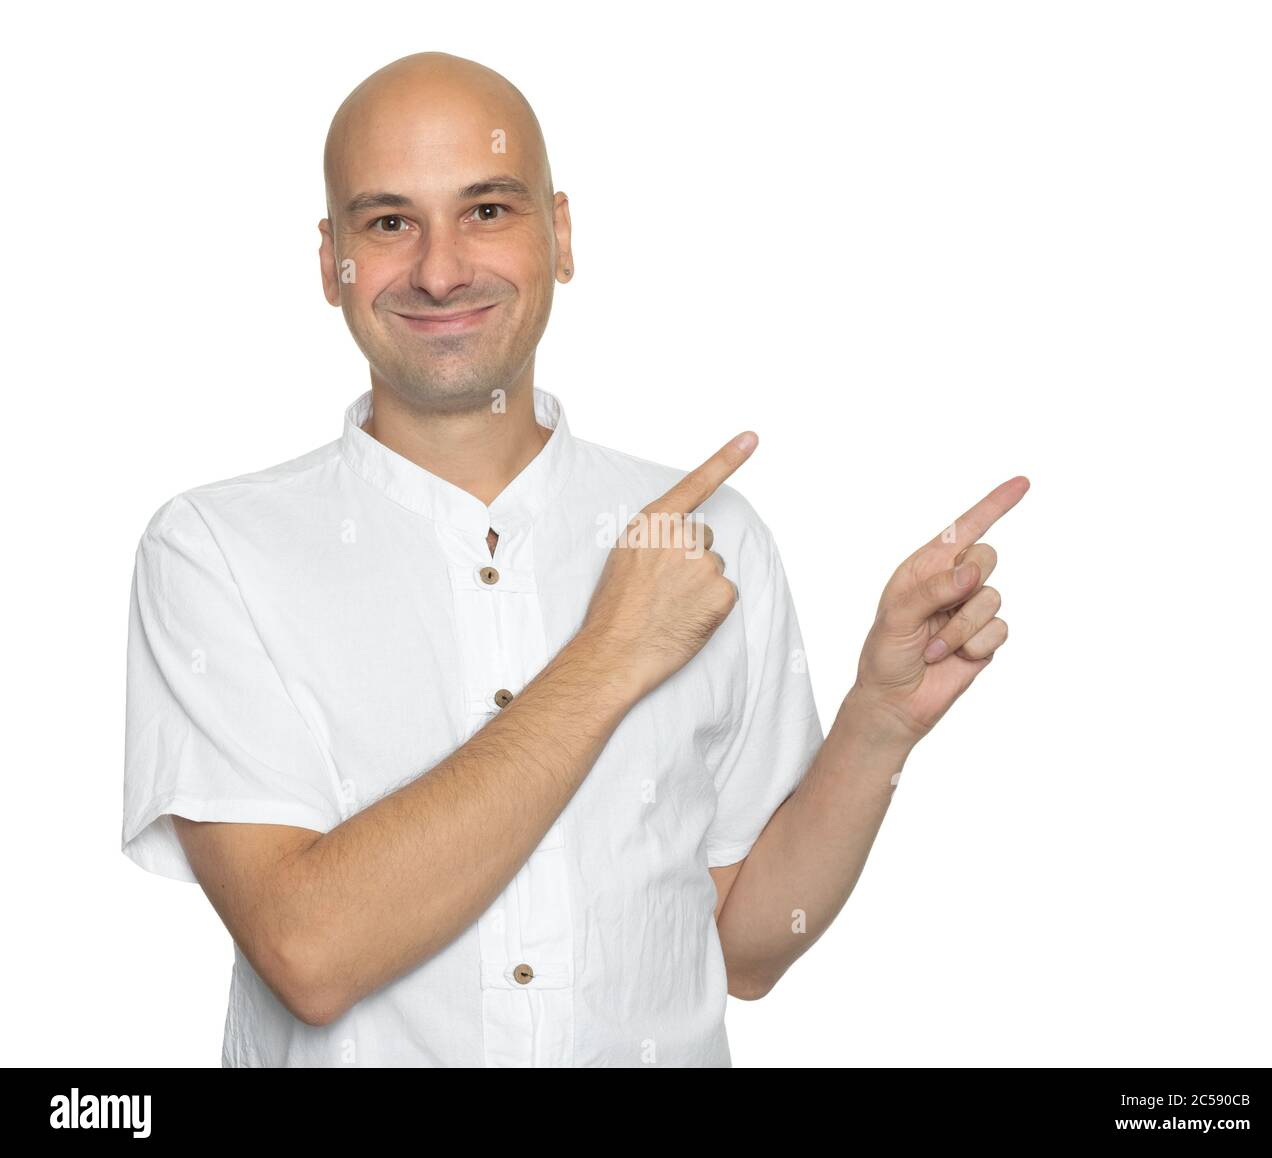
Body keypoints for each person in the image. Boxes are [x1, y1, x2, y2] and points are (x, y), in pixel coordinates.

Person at [121, 51, 1026, 1067]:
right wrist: (610, 655)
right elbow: (309, 952)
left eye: (488, 211)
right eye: (388, 223)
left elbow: (749, 949)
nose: (439, 269)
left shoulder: (710, 538)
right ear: (329, 260)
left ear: (560, 234)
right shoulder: (214, 554)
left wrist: (876, 727)